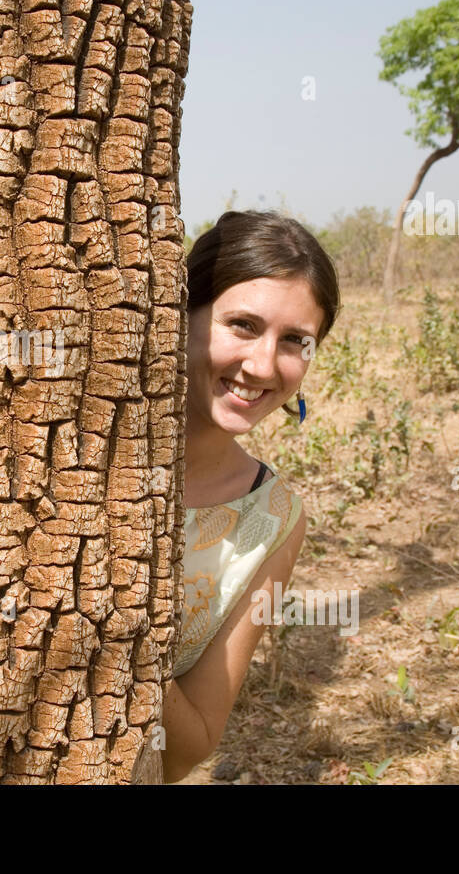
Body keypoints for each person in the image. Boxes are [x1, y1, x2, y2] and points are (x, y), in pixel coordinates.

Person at [161, 210, 341, 783]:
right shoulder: (67, 447)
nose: (262, 365)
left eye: (295, 341)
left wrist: (117, 643)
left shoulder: (274, 518)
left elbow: (190, 746)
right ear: (181, 313)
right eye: (241, 324)